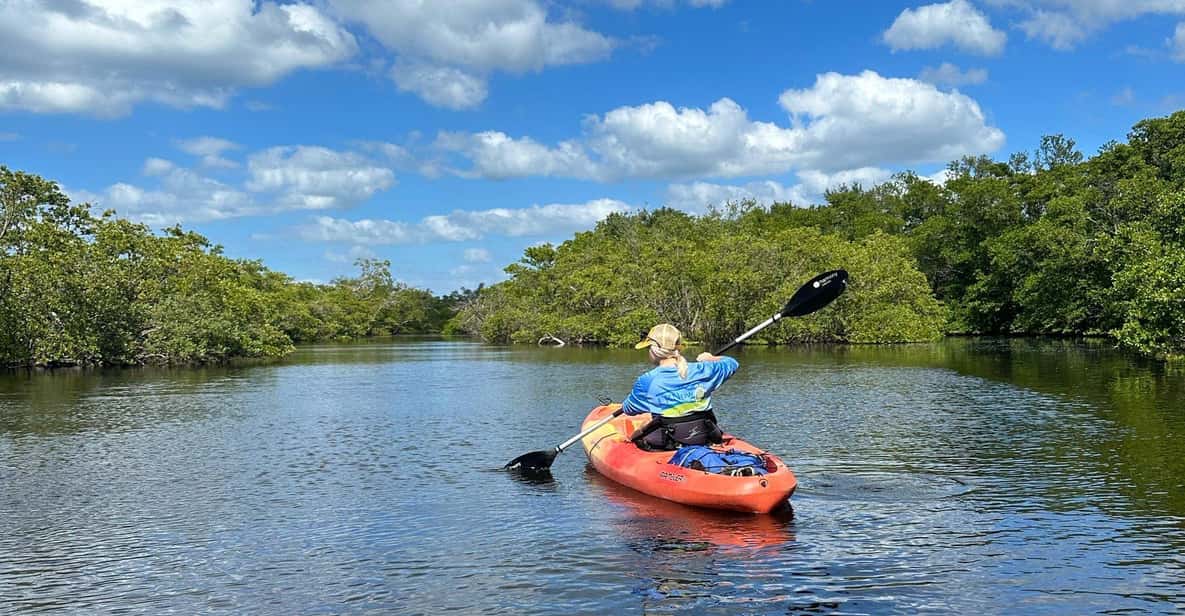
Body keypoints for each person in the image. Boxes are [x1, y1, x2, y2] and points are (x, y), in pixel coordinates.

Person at [621, 323, 739, 451]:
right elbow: (732, 363)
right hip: (704, 437)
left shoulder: (646, 381)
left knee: (640, 431)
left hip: (668, 443)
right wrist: (710, 358)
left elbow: (628, 409)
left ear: (653, 350)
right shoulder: (704, 370)